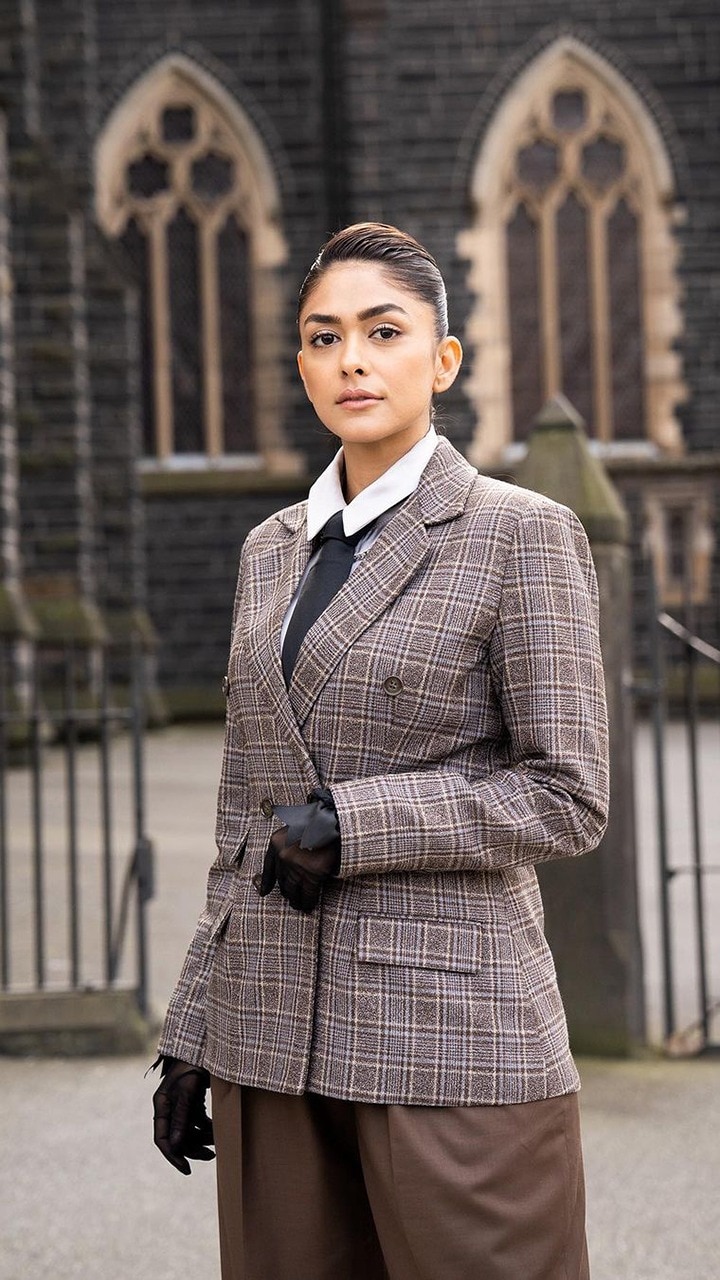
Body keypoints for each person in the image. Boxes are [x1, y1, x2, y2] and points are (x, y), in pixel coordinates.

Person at [152, 222, 609, 1280]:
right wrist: (192, 1026)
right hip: (268, 1035)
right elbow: (241, 815)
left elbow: (568, 793)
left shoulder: (519, 532)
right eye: (323, 336)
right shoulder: (268, 550)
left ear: (442, 358)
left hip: (449, 1035)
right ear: (302, 363)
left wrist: (358, 822)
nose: (351, 358)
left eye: (382, 330)